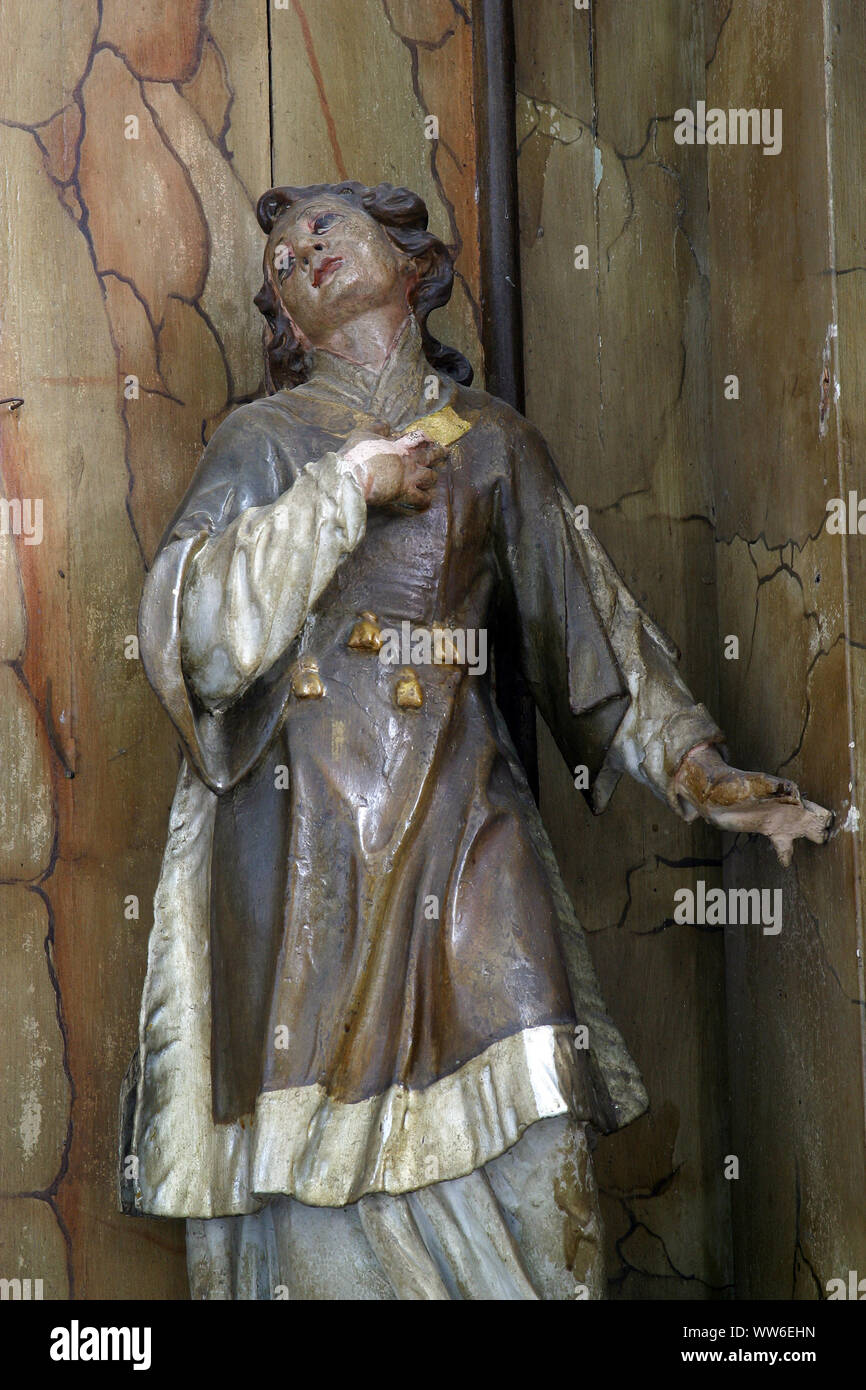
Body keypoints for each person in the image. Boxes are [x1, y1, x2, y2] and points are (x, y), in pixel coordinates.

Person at [123, 181, 831, 1300]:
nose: (298, 251)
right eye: (277, 255)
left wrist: (699, 768)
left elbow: (591, 633)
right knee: (319, 1176)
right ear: (282, 322)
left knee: (536, 1092)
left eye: (325, 225)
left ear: (412, 262)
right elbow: (193, 633)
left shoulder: (491, 443)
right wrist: (346, 486)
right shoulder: (262, 438)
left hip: (458, 813)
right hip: (305, 822)